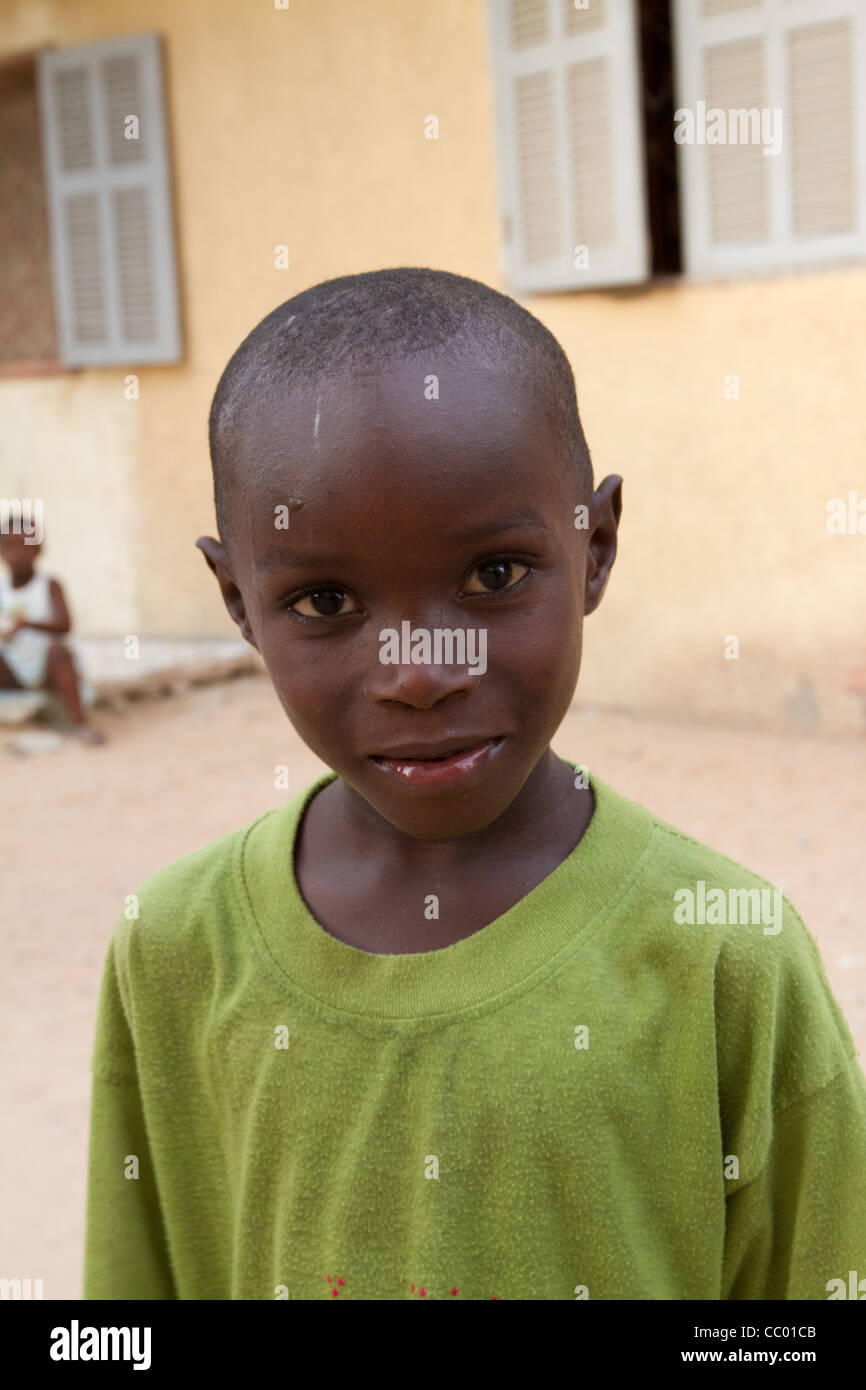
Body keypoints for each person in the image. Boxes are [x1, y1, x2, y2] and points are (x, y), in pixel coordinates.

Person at [83, 268, 866, 1300]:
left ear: (596, 548)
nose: (416, 670)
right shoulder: (176, 947)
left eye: (493, 575)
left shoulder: (722, 955)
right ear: (236, 599)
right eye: (323, 600)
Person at [0, 529, 104, 745]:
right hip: (14, 666)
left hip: (47, 666)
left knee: (59, 652)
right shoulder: (2, 590)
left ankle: (80, 724)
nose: (17, 554)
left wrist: (26, 624)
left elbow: (64, 624)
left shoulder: (49, 585)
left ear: (38, 550)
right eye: (9, 547)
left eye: (24, 546)